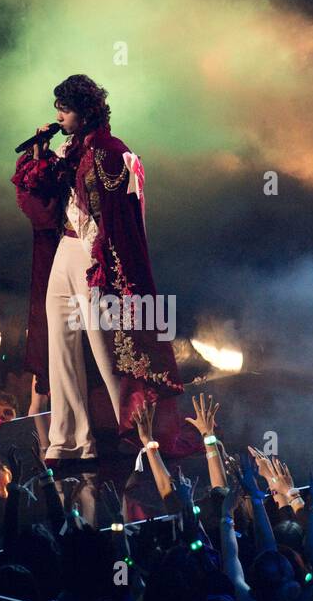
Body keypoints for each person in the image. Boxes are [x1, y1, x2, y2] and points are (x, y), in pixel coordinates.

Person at [12, 74, 194, 466]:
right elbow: (39, 199)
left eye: (65, 109)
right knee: (59, 343)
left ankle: (139, 437)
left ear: (86, 111)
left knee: (107, 350)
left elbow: (123, 221)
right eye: (57, 109)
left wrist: (104, 264)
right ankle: (69, 439)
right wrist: (40, 153)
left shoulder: (112, 151)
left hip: (93, 257)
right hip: (64, 247)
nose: (58, 116)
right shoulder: (66, 149)